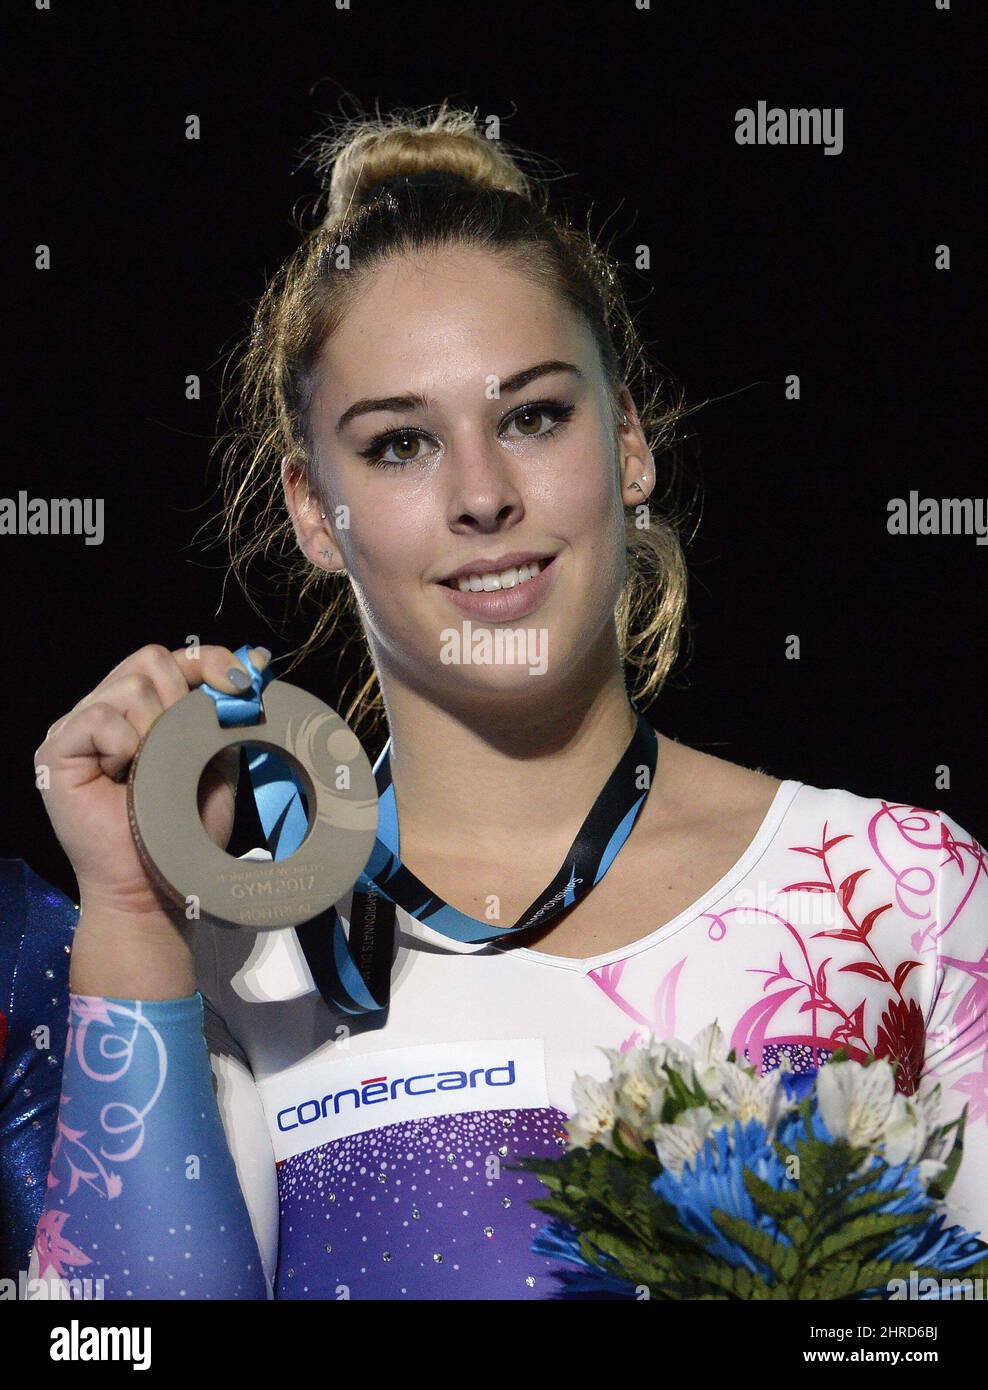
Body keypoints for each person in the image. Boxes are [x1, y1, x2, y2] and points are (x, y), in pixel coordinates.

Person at [20, 101, 988, 1300]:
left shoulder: (895, 887)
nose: (482, 495)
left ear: (627, 443)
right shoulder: (235, 960)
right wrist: (129, 915)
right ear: (314, 512)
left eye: (532, 416)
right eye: (398, 445)